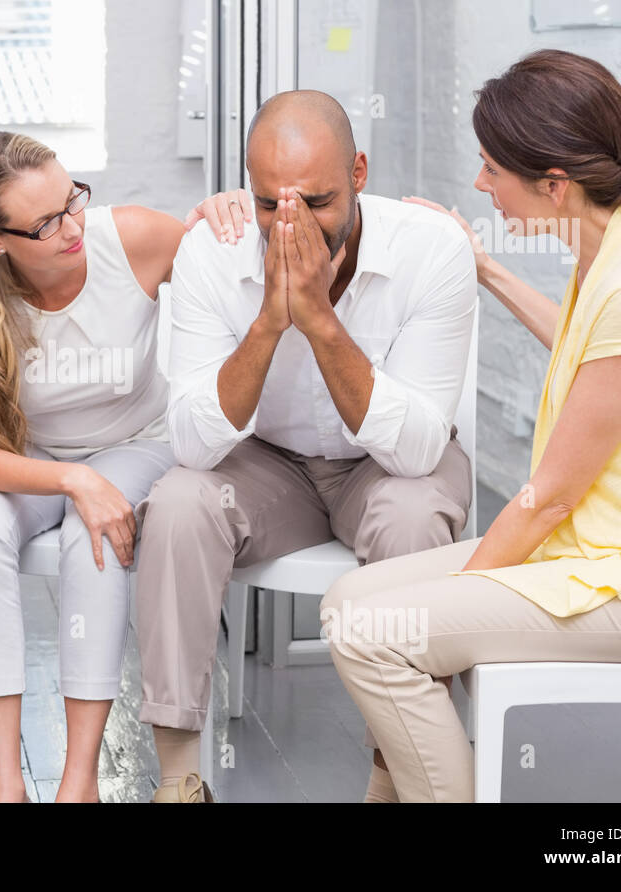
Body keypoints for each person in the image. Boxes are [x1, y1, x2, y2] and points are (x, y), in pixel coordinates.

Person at [322, 48, 621, 802]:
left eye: (491, 169)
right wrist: (488, 268)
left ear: (553, 184)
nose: (481, 185)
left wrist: (447, 621)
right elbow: (589, 355)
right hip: (608, 554)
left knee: (383, 633)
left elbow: (548, 499)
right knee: (349, 605)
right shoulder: (617, 241)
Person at [135, 90, 478, 802]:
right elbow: (195, 443)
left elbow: (415, 449)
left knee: (414, 519)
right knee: (178, 502)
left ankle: (394, 775)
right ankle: (178, 780)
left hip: (385, 469)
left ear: (359, 171)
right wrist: (268, 322)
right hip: (268, 467)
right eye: (269, 203)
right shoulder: (211, 249)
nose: (289, 223)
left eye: (316, 200)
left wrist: (320, 321)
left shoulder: (429, 249)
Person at [0, 131, 194, 802]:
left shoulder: (134, 238)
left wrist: (226, 213)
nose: (70, 227)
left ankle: (78, 778)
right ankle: (6, 782)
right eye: (45, 222)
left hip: (137, 440)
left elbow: (233, 273)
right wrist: (73, 479)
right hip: (30, 455)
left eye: (71, 201)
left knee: (95, 537)